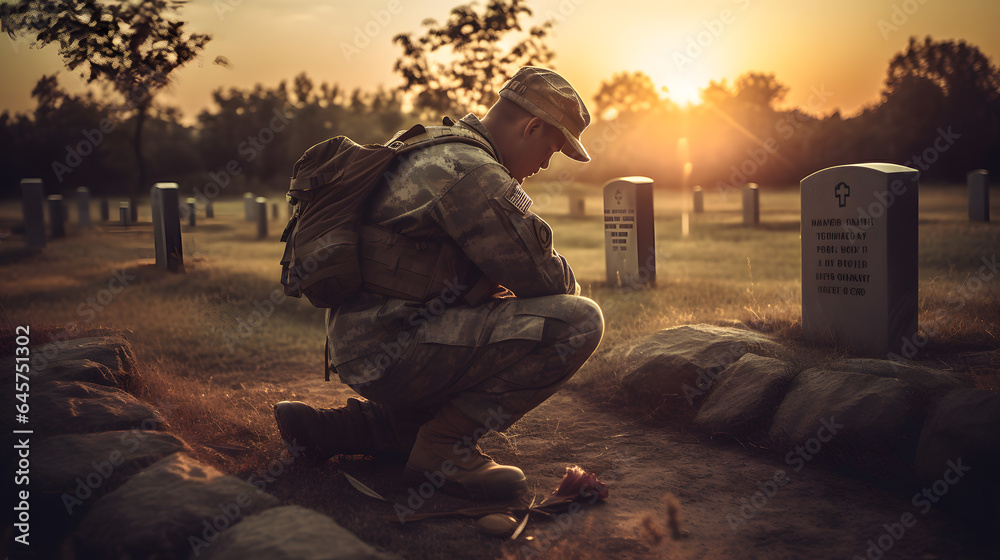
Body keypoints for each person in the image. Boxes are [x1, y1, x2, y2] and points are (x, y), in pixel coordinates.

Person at [274, 66, 604, 501]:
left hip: (365, 342)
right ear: (533, 126)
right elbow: (547, 281)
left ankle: (372, 430)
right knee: (579, 321)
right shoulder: (472, 171)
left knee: (490, 314)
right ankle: (444, 447)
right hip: (392, 349)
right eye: (552, 148)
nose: (545, 163)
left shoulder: (429, 143)